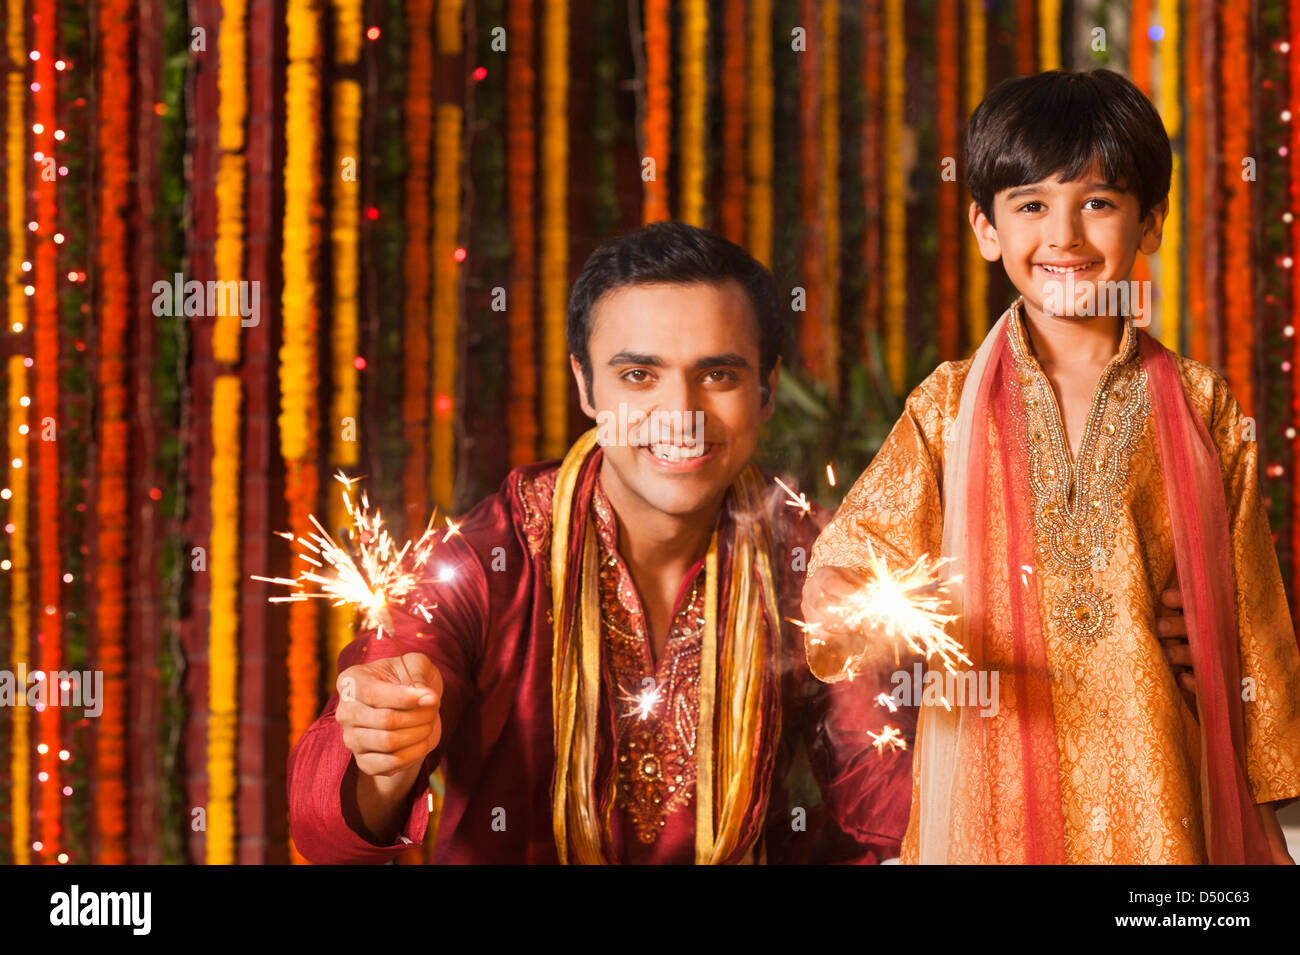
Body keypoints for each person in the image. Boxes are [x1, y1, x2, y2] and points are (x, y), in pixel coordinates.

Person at [287, 221, 912, 864]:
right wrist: (380, 760)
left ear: (767, 390)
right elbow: (321, 826)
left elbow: (889, 802)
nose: (681, 412)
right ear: (586, 387)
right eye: (639, 375)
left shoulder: (811, 559)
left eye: (718, 374)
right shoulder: (491, 557)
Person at [802, 68, 1300, 864]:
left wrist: (1242, 702)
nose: (1063, 236)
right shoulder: (947, 407)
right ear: (986, 229)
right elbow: (857, 556)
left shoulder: (1204, 408)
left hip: (1156, 781)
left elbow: (1254, 619)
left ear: (1152, 222)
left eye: (1097, 203)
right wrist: (848, 595)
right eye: (1031, 205)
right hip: (991, 773)